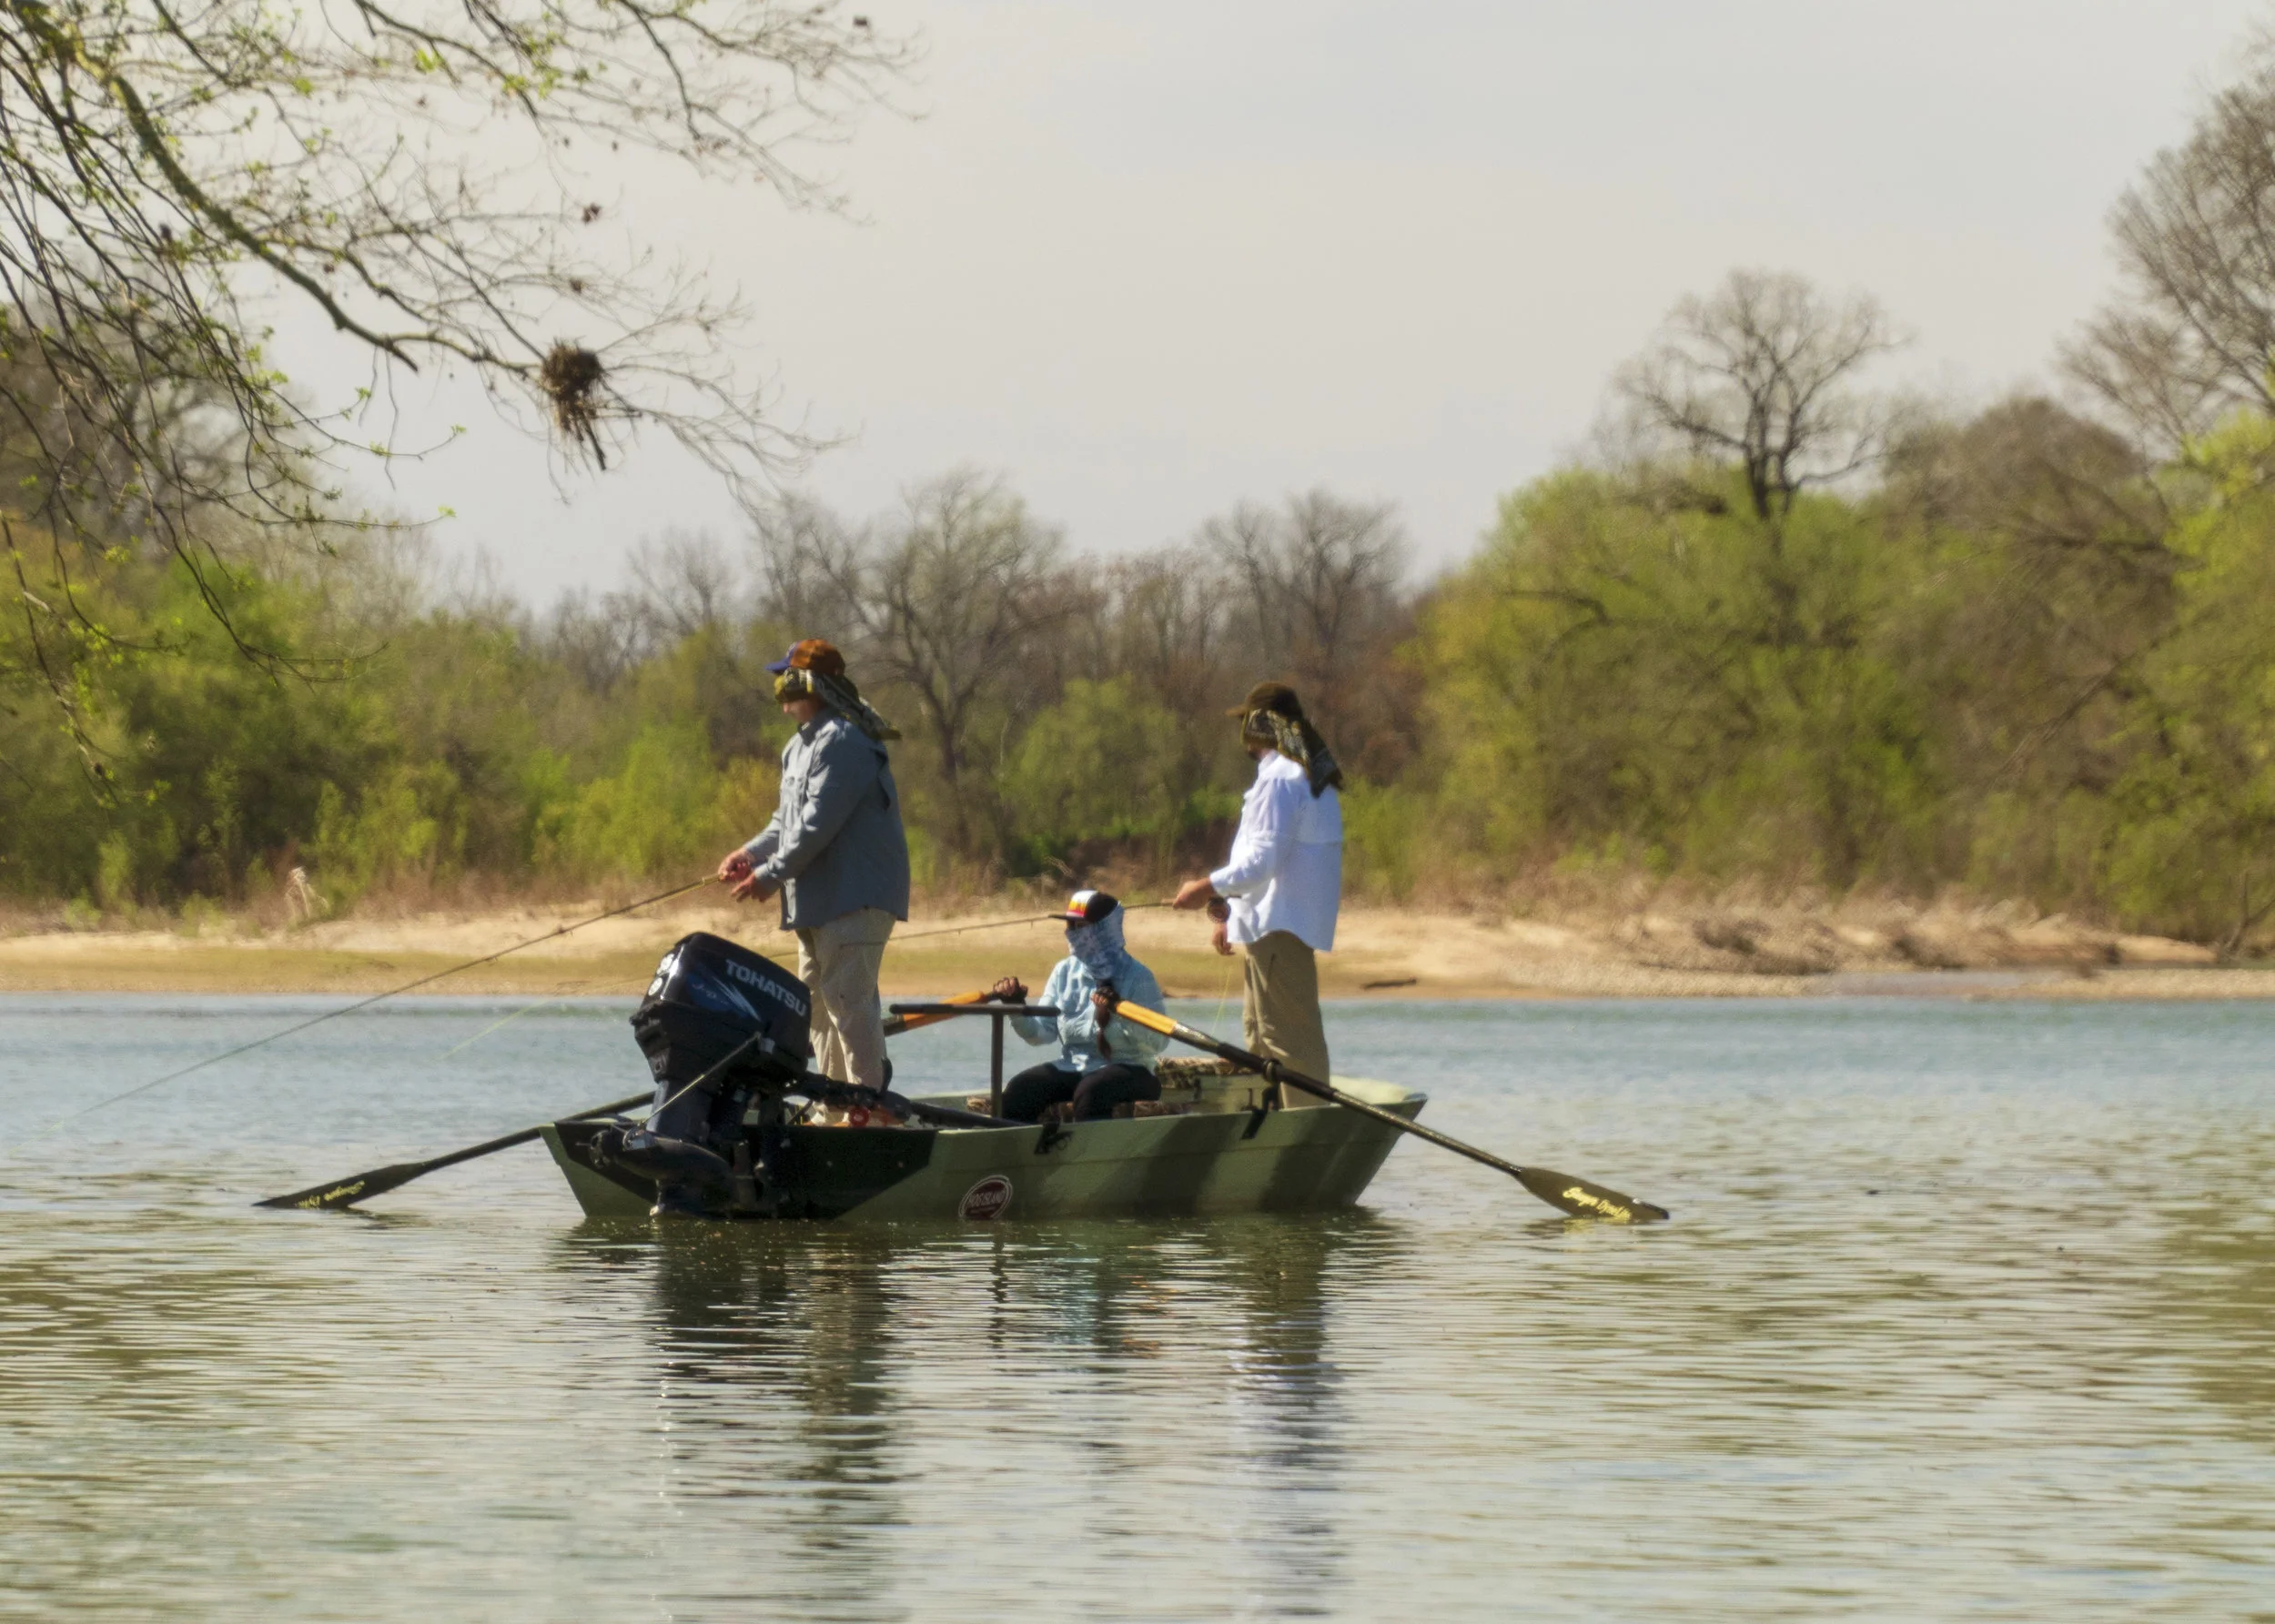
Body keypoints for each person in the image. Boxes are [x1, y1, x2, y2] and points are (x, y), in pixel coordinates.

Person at [717, 638, 910, 1093]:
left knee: (849, 1005)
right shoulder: (798, 747)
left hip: (854, 901)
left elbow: (816, 825)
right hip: (817, 904)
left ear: (809, 684)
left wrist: (769, 876)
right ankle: (836, 1108)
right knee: (817, 1012)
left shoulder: (843, 741)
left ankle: (868, 1110)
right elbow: (785, 824)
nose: (779, 687)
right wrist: (749, 855)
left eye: (786, 676)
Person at [1172, 681, 1343, 1105]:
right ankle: (1272, 1129)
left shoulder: (1283, 779)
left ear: (1259, 727)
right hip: (1270, 926)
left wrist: (1203, 888)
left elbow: (1263, 860)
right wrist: (1230, 912)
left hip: (1279, 928)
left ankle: (1307, 1132)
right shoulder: (1296, 776)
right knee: (1260, 1036)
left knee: (1288, 1043)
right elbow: (1270, 860)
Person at [992, 891, 1170, 1123]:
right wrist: (1016, 1006)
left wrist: (1120, 1012)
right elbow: (1041, 1034)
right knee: (1020, 1089)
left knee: (1091, 1091)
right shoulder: (1063, 972)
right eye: (1070, 926)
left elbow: (1160, 1042)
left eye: (1082, 926)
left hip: (1131, 1069)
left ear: (1105, 929)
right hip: (1073, 1067)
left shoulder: (1139, 976)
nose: (1073, 934)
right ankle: (1018, 1156)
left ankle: (1087, 1157)